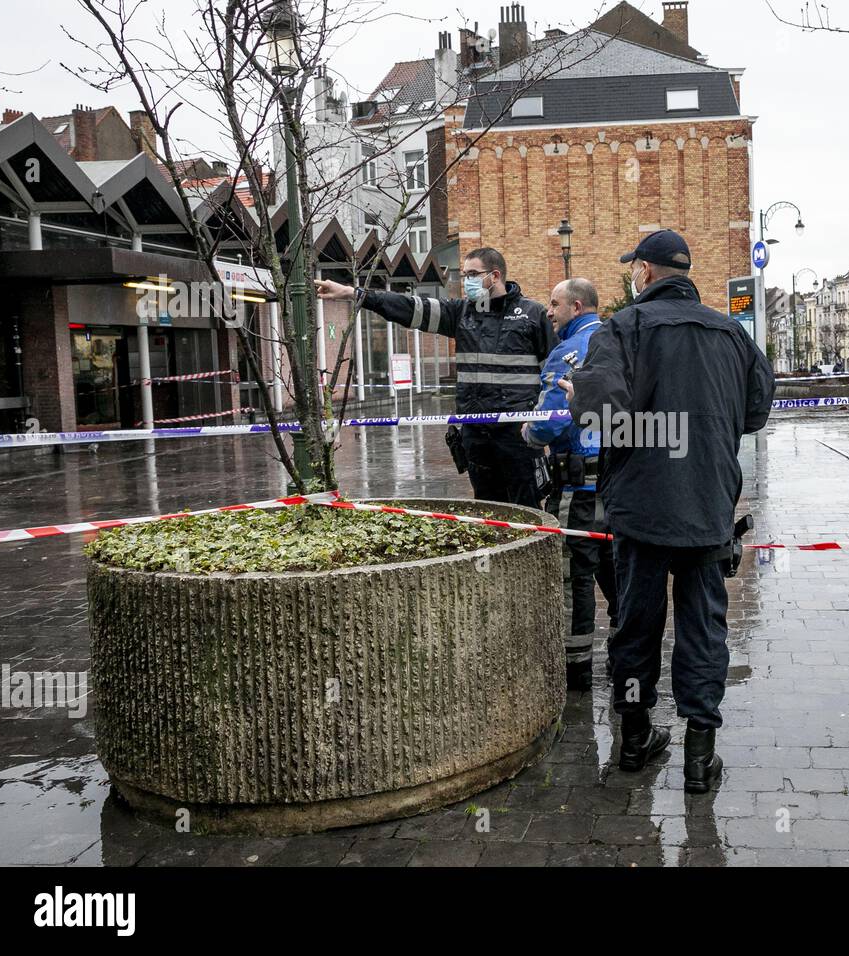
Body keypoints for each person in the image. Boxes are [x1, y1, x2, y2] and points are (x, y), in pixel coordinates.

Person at [568, 229, 775, 794]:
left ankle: (635, 738)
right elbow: (756, 413)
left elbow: (601, 416)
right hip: (708, 505)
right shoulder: (731, 333)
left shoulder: (624, 328)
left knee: (635, 625)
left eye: (634, 267)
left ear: (646, 272)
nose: (632, 276)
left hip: (640, 508)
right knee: (704, 627)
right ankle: (699, 757)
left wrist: (578, 397)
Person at [314, 249, 555, 508]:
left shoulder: (532, 314)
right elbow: (409, 307)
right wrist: (354, 294)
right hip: (476, 434)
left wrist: (541, 423)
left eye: (473, 274)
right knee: (488, 510)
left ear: (495, 276)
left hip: (517, 434)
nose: (467, 282)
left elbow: (552, 374)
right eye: (465, 275)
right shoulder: (461, 313)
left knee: (528, 507)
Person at [522, 278, 617, 692]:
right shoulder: (618, 340)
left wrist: (528, 431)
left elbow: (553, 421)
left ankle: (576, 669)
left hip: (577, 486)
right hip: (619, 486)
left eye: (554, 304)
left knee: (575, 576)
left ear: (576, 306)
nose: (549, 312)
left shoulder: (569, 352)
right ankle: (624, 656)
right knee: (618, 572)